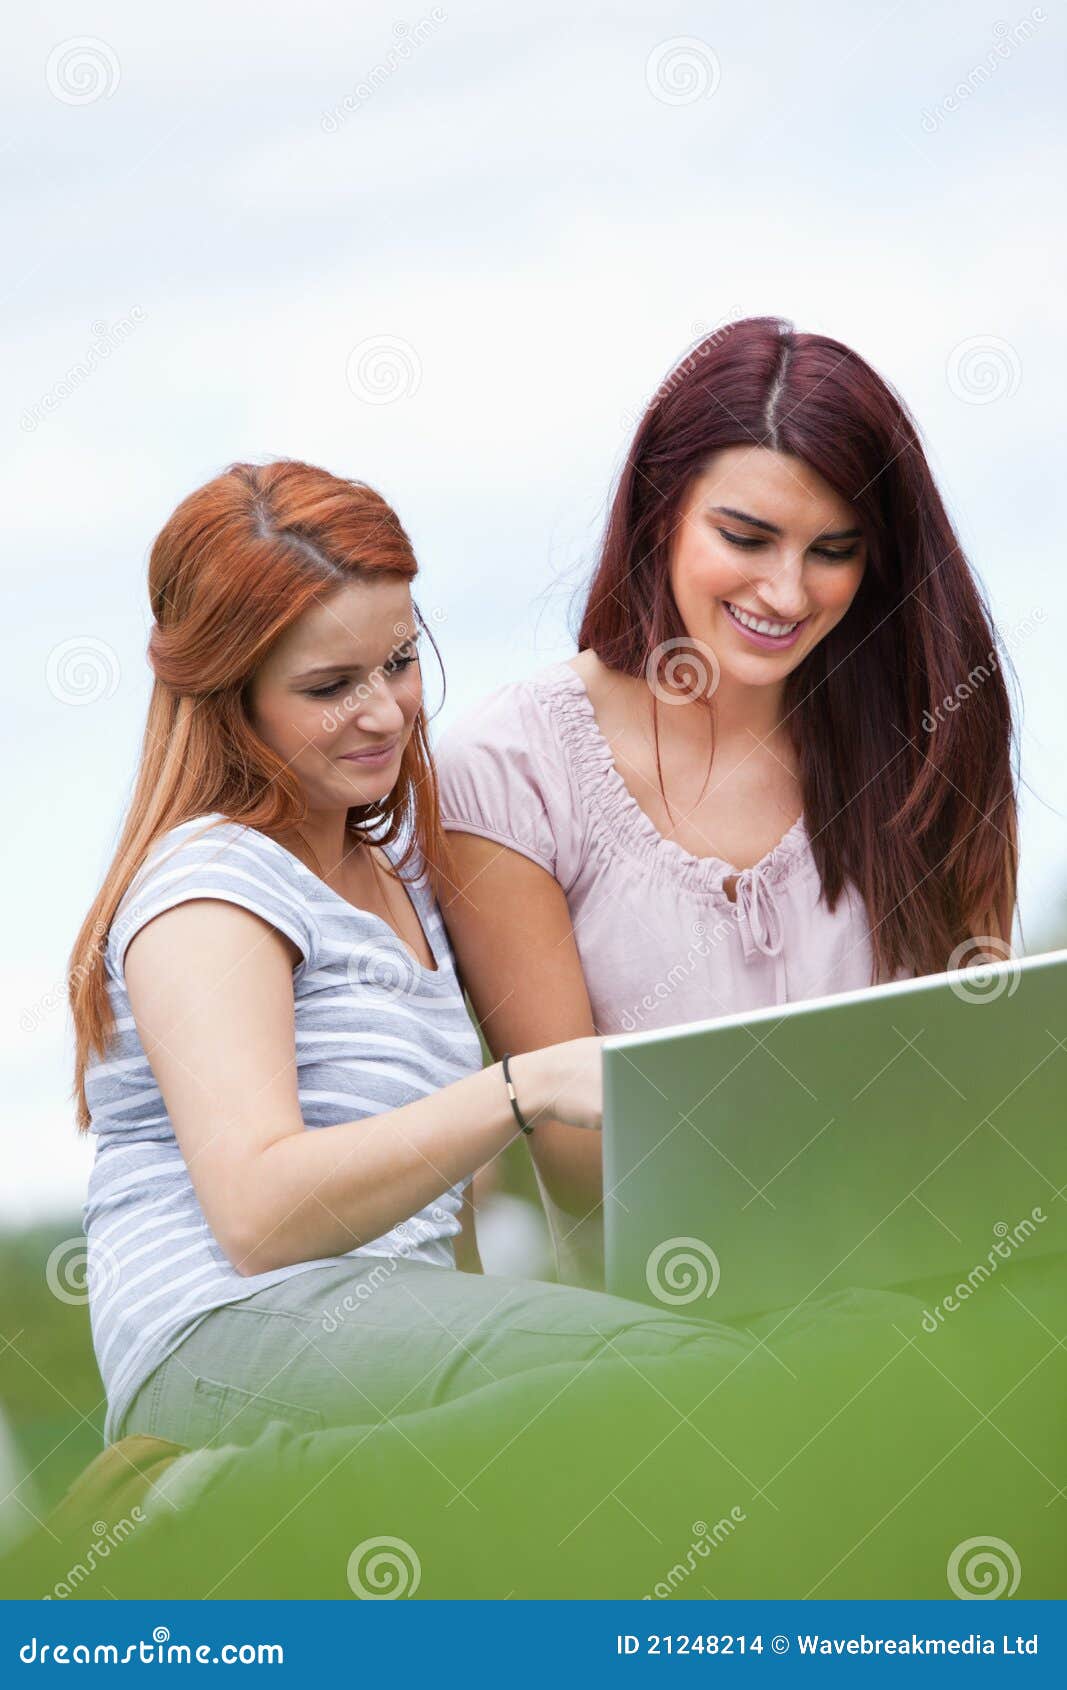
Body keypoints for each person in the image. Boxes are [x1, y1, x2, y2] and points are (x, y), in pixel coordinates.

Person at [69, 456, 854, 1454]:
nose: (386, 710)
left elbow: (440, 1249)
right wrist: (521, 1090)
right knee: (694, 1383)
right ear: (230, 696)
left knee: (749, 1370)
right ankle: (194, 1497)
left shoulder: (396, 873)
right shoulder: (210, 883)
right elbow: (259, 1214)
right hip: (220, 1344)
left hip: (381, 1323)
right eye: (328, 685)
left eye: (398, 661)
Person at [434, 315, 1019, 1286]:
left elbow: (981, 1068)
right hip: (677, 1344)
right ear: (660, 508)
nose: (786, 591)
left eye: (833, 549)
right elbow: (581, 1162)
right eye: (744, 536)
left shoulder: (926, 738)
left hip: (936, 1295)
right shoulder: (507, 769)